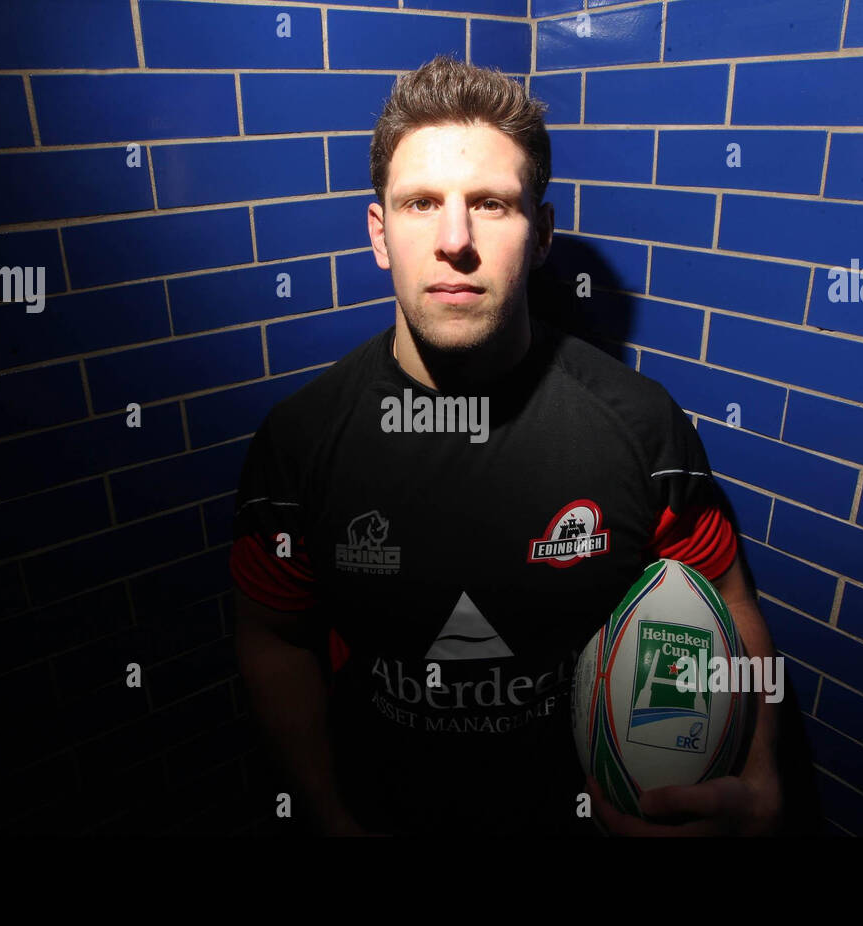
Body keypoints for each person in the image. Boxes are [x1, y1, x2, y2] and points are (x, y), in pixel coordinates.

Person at [231, 55, 798, 836]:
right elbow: (272, 636)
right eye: (421, 203)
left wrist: (761, 776)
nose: (454, 241)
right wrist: (328, 813)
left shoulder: (641, 428)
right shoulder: (300, 443)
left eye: (491, 205)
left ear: (541, 236)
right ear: (379, 233)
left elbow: (728, 603)